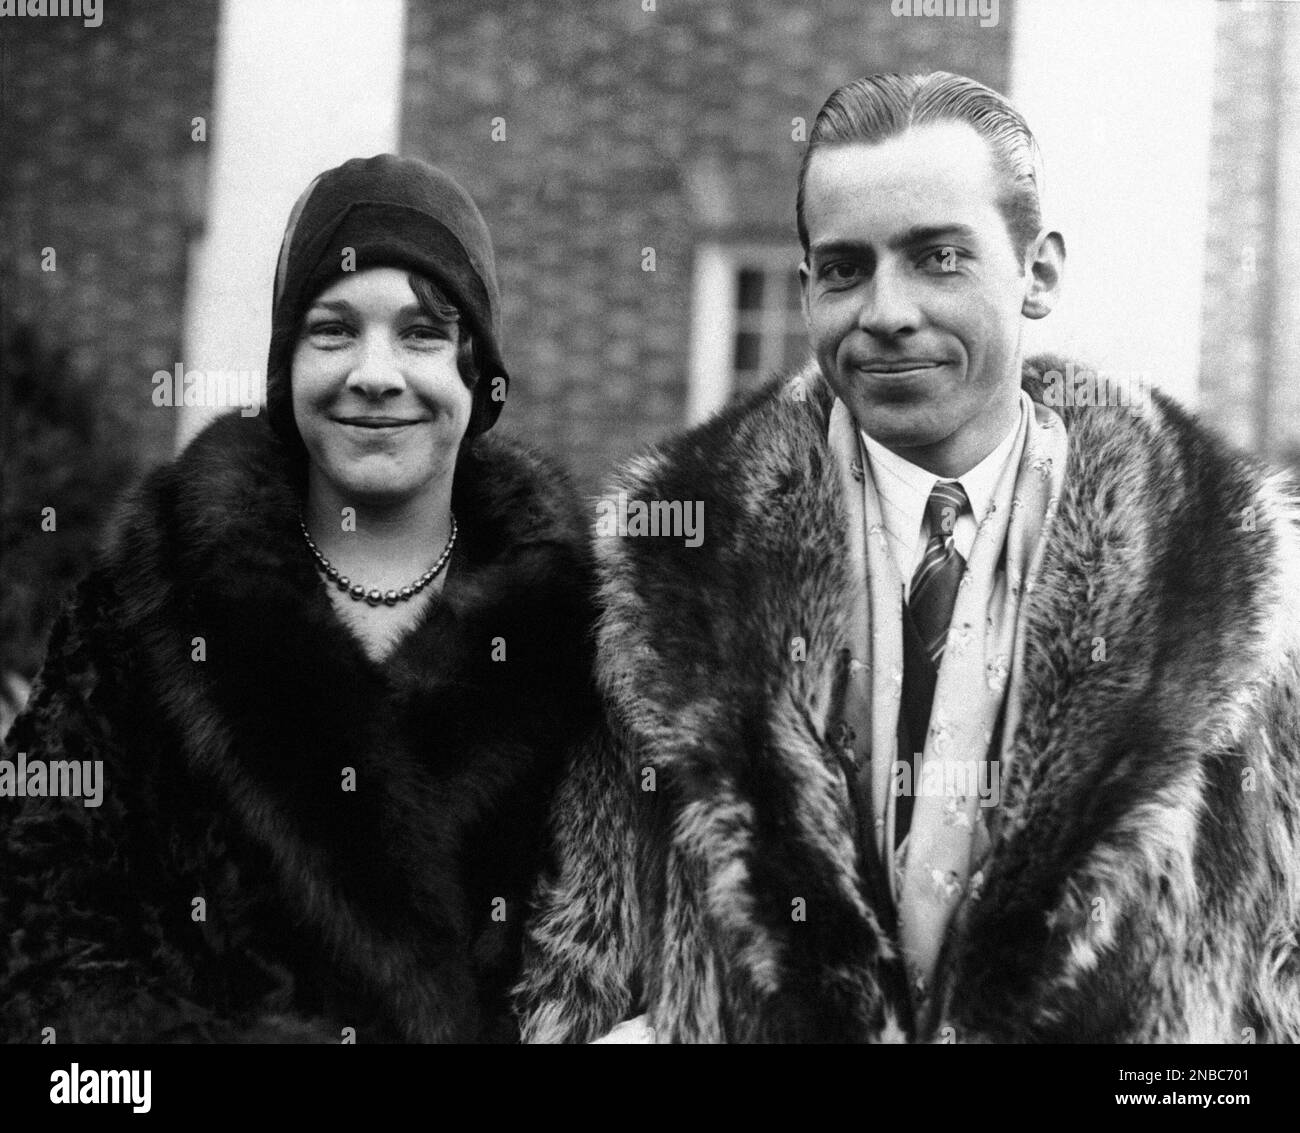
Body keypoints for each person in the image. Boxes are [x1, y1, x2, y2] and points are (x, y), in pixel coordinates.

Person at [515, 73, 1300, 1043]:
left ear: (1038, 272)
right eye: (844, 269)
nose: (886, 310)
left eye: (936, 257)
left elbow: (1278, 975)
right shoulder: (672, 575)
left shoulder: (1215, 576)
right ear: (806, 290)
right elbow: (585, 954)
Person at [0, 154, 598, 1043]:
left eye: (423, 333)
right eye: (332, 330)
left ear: (479, 373)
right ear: (286, 365)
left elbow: (635, 949)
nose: (375, 372)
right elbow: (37, 928)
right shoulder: (149, 603)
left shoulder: (580, 633)